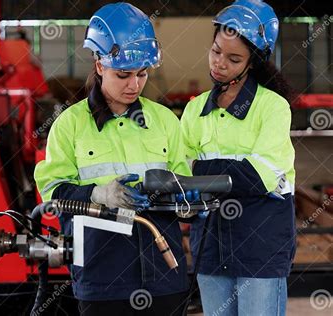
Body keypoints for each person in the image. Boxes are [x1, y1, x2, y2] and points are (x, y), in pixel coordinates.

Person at [35, 3, 192, 315]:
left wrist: (181, 195)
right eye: (123, 75)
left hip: (165, 273)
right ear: (98, 65)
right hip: (102, 277)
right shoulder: (70, 125)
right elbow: (52, 193)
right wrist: (96, 193)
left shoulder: (165, 121)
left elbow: (185, 185)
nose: (134, 85)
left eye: (142, 74)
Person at [180, 0, 296, 315]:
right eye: (216, 51)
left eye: (233, 59)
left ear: (253, 63)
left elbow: (258, 177)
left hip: (260, 247)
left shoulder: (272, 108)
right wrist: (202, 176)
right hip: (211, 247)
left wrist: (200, 173)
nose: (219, 63)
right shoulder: (195, 110)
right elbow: (180, 173)